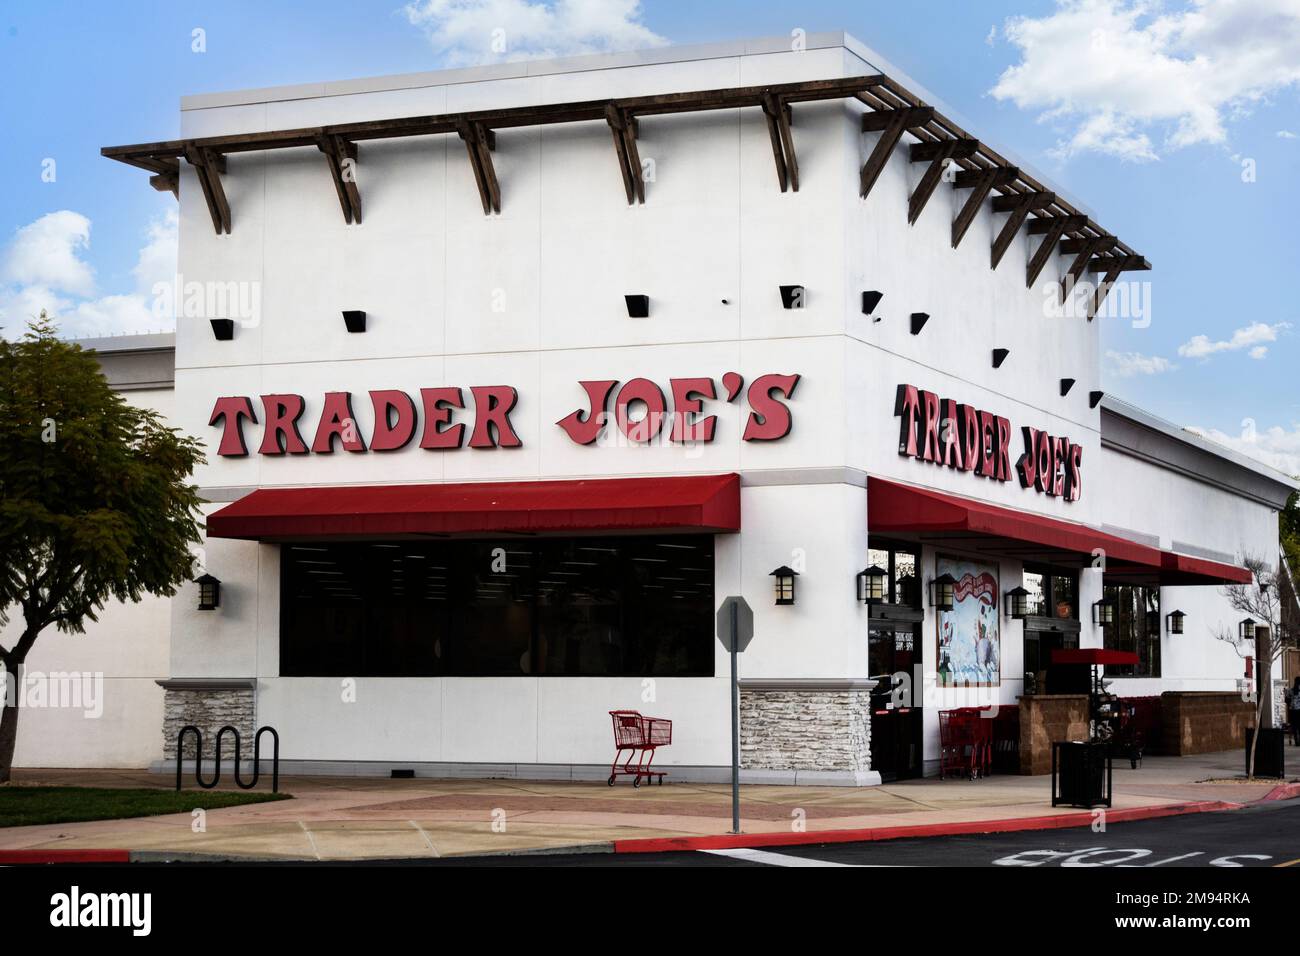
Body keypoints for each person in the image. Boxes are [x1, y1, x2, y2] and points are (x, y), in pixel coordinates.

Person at [1289, 677, 1300, 746]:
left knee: (1294, 726)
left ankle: (1296, 741)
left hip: (1293, 711)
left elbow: (1287, 700)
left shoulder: (1290, 690)